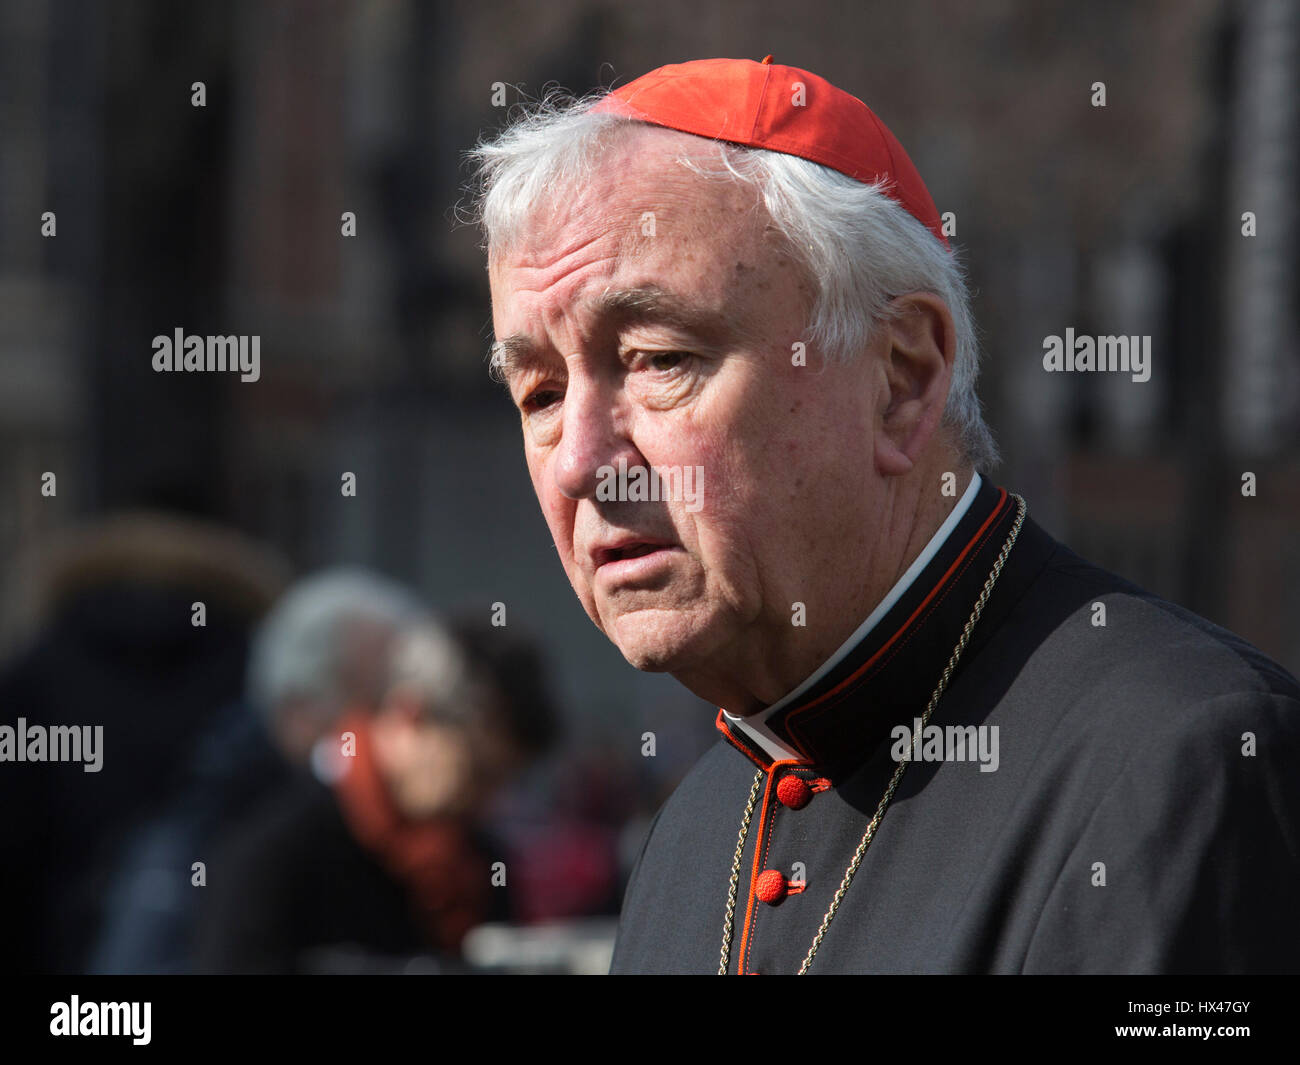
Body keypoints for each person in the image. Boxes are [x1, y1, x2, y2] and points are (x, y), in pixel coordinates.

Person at [468, 56, 1300, 974]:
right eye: (540, 393)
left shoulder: (1179, 763)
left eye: (660, 357)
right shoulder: (694, 832)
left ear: (901, 378)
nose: (582, 459)